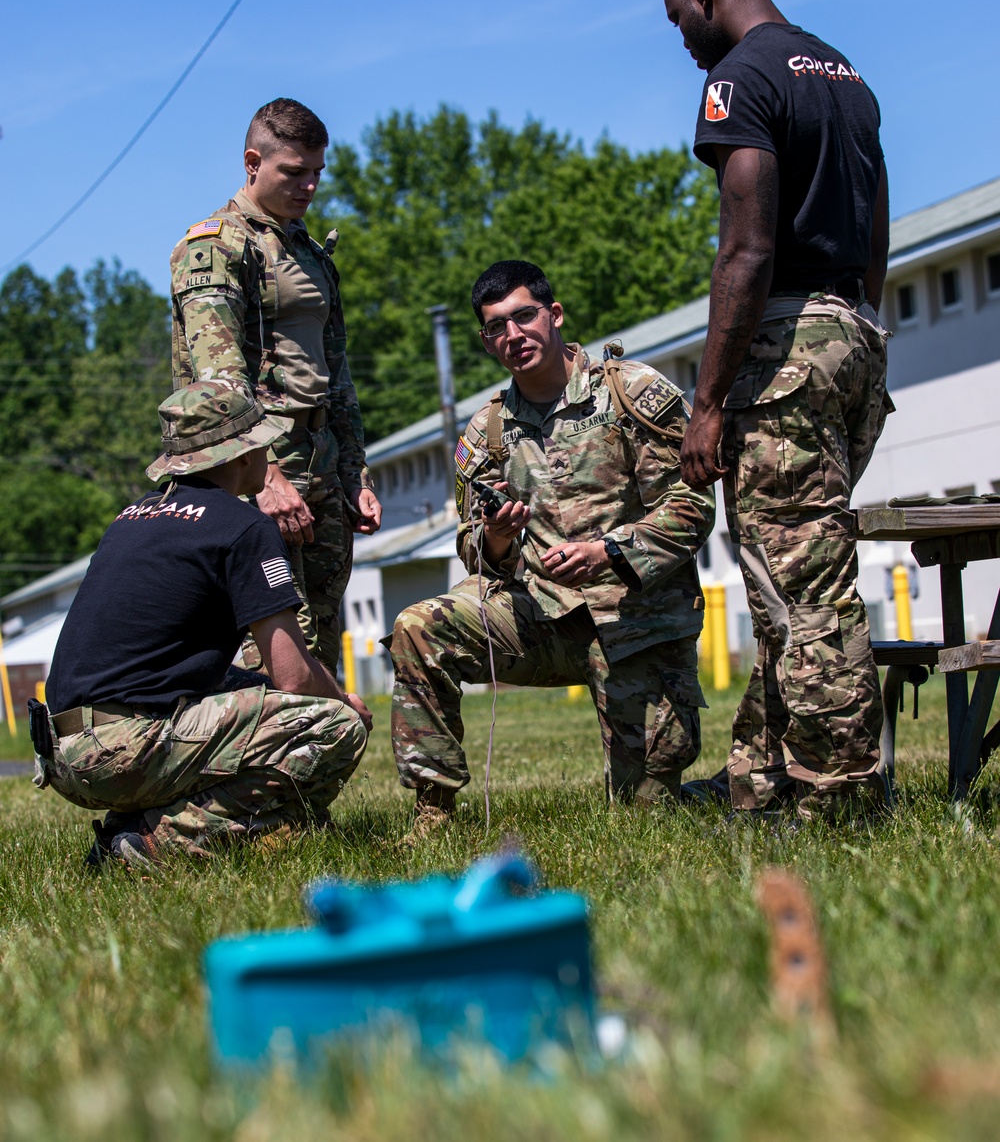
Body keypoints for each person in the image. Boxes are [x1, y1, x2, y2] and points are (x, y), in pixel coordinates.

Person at [662, 0, 892, 820]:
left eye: (679, 17)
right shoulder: (847, 76)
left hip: (788, 346)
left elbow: (747, 250)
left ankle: (838, 794)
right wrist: (864, 326)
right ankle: (760, 782)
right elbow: (874, 226)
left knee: (805, 588)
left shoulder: (741, 78)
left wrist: (710, 400)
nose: (682, 38)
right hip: (853, 335)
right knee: (785, 576)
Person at [385, 259, 715, 835]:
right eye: (496, 328)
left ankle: (729, 792)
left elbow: (694, 507)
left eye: (524, 317)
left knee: (647, 817)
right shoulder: (486, 431)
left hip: (634, 621)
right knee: (420, 625)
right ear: (486, 341)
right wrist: (496, 540)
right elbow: (472, 546)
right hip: (541, 618)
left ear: (554, 314)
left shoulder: (631, 393)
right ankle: (433, 814)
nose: (513, 336)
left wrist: (610, 552)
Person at [36, 380, 372, 868]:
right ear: (239, 456)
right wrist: (344, 700)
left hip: (63, 750)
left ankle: (125, 829)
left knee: (245, 686)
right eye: (260, 442)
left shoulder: (131, 517)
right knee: (330, 725)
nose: (266, 452)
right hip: (124, 748)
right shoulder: (244, 528)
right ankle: (159, 843)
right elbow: (293, 676)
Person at [169, 98, 380, 673]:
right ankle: (266, 763)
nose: (309, 185)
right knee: (276, 639)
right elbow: (220, 382)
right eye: (294, 171)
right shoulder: (212, 247)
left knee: (326, 631)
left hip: (321, 458)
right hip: (253, 465)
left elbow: (337, 374)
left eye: (318, 172)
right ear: (252, 162)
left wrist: (355, 470)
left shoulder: (309, 252)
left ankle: (318, 758)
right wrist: (264, 475)